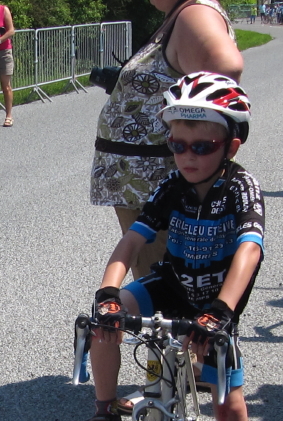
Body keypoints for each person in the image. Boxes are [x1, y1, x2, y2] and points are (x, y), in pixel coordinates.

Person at [85, 73, 278, 421]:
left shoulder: (242, 188)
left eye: (203, 145)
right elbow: (134, 241)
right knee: (103, 321)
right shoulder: (172, 183)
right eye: (177, 144)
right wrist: (109, 290)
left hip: (215, 306)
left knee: (229, 408)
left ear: (231, 144)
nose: (188, 155)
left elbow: (249, 252)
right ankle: (105, 414)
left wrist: (220, 310)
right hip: (170, 287)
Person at [90, 0, 242, 282]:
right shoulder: (180, 14)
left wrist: (188, 139)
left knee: (161, 287)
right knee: (154, 279)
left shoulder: (194, 13)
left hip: (162, 180)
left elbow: (225, 69)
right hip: (146, 183)